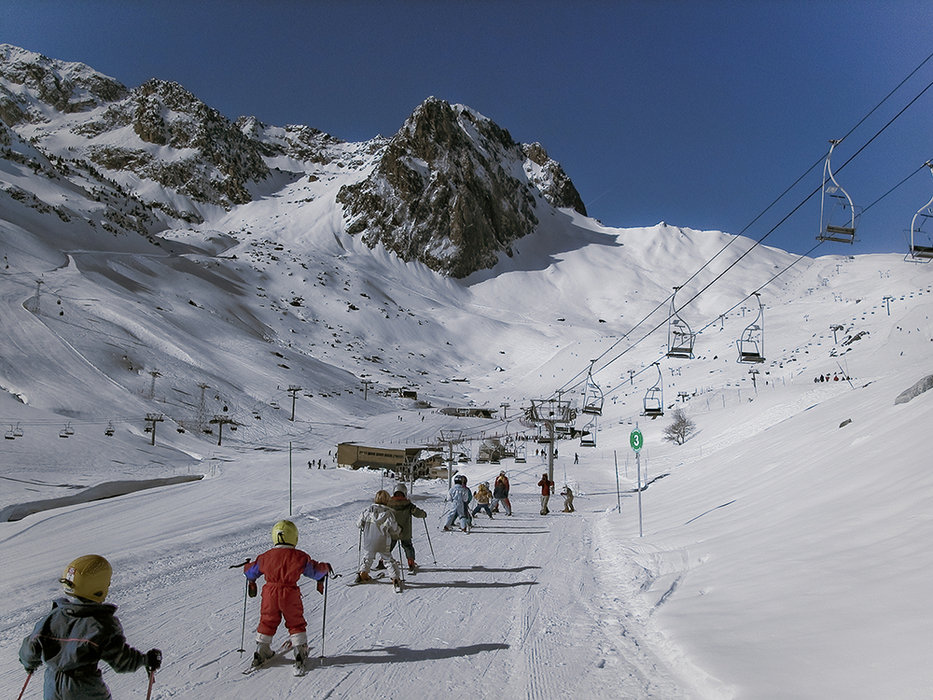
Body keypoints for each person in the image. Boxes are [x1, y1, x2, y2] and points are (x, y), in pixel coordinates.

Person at [20, 554, 162, 699]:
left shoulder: (53, 617)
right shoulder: (101, 623)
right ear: (98, 587)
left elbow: (30, 648)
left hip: (52, 686)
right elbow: (121, 661)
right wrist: (146, 660)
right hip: (83, 687)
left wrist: (29, 664)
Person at [243, 520, 333, 672]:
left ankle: (262, 648)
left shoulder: (265, 556)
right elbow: (315, 572)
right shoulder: (299, 556)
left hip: (269, 594)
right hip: (290, 594)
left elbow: (251, 572)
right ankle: (299, 649)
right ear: (294, 537)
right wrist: (324, 568)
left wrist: (246, 567)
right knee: (295, 621)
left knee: (267, 619)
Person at [357, 490, 402, 587]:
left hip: (369, 540)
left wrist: (363, 526)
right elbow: (394, 528)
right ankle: (395, 578)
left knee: (368, 557)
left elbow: (359, 524)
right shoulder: (388, 513)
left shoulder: (367, 511)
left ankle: (363, 573)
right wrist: (398, 531)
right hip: (382, 541)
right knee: (388, 559)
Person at [386, 483, 427, 572]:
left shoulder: (389, 505)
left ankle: (383, 560)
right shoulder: (408, 505)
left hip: (392, 530)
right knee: (408, 546)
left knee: (388, 546)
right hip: (405, 532)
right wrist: (423, 514)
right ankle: (411, 562)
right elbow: (417, 513)